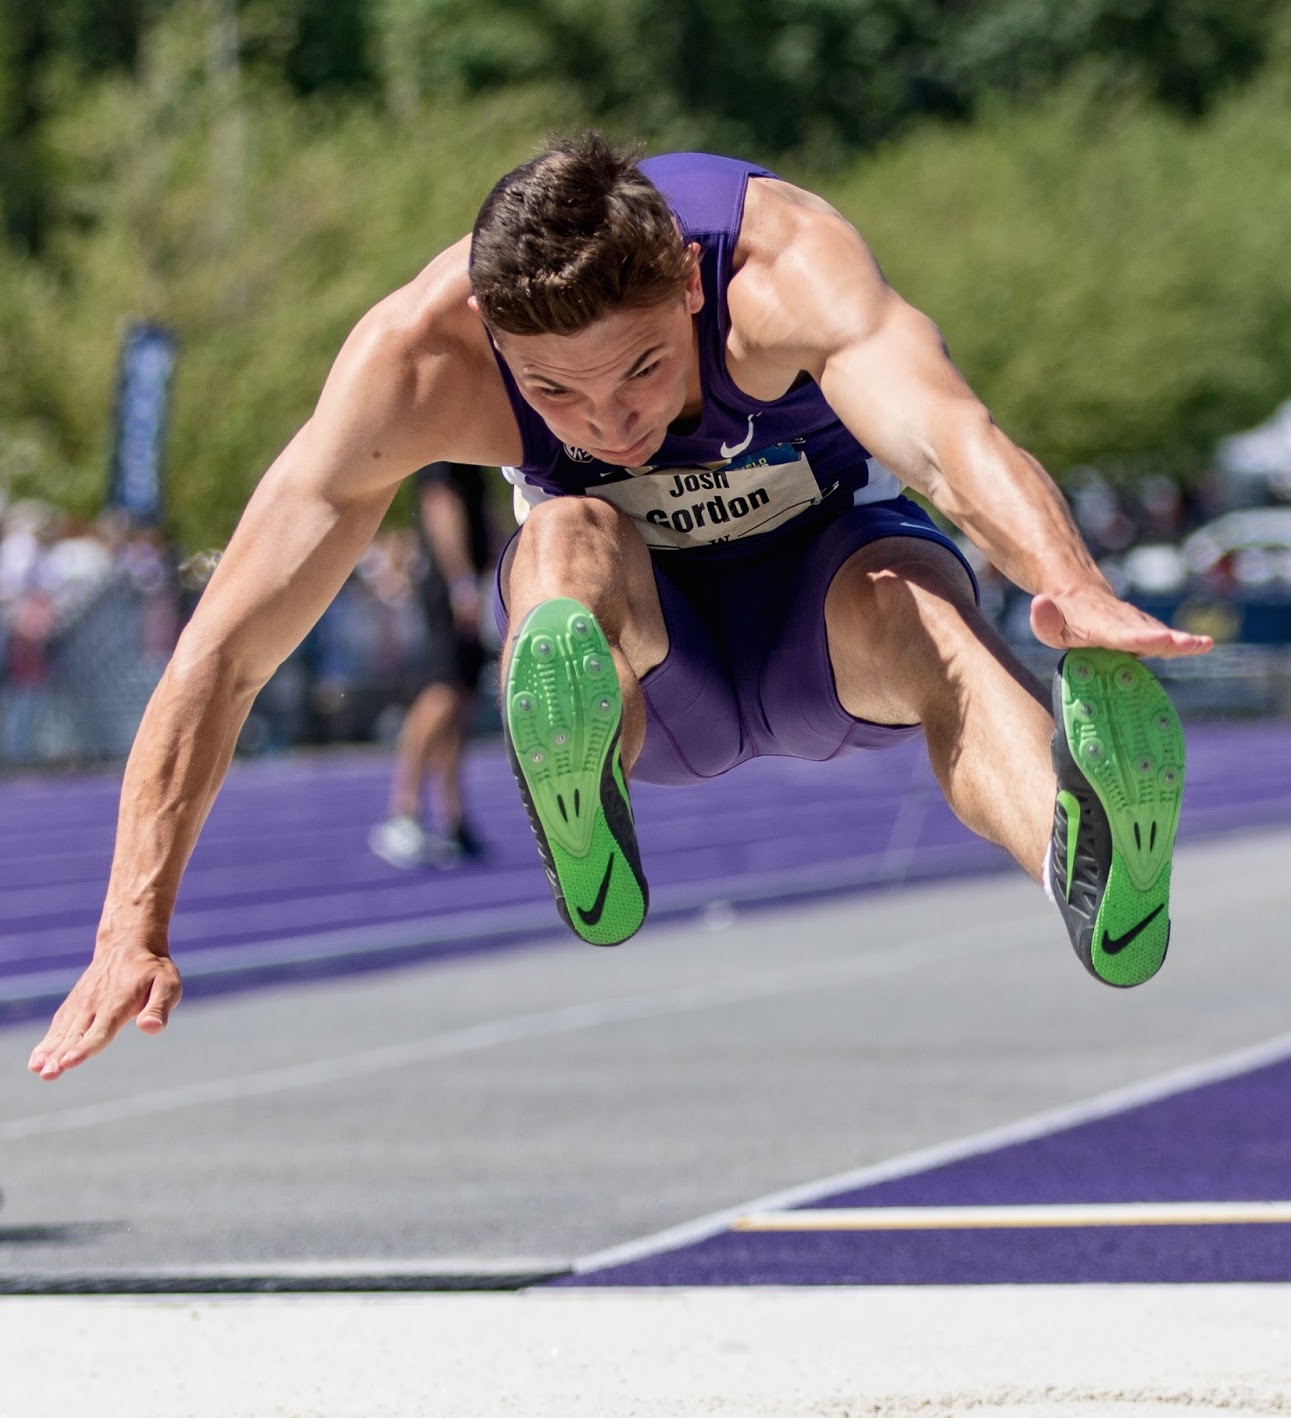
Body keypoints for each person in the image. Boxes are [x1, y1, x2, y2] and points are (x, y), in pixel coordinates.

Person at [29, 134, 1211, 1082]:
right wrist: (130, 923)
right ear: (493, 342)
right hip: (657, 664)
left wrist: (1073, 585)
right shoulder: (416, 358)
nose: (607, 424)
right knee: (564, 531)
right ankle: (578, 769)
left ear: (689, 286)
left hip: (831, 607)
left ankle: (1084, 850)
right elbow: (223, 651)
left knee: (926, 622)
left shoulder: (779, 267)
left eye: (643, 369)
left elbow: (952, 443)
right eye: (554, 392)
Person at [368, 463, 496, 867]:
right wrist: (460, 582)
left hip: (468, 581)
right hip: (449, 586)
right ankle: (402, 811)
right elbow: (440, 505)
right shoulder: (443, 443)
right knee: (442, 693)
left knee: (460, 701)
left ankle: (453, 816)